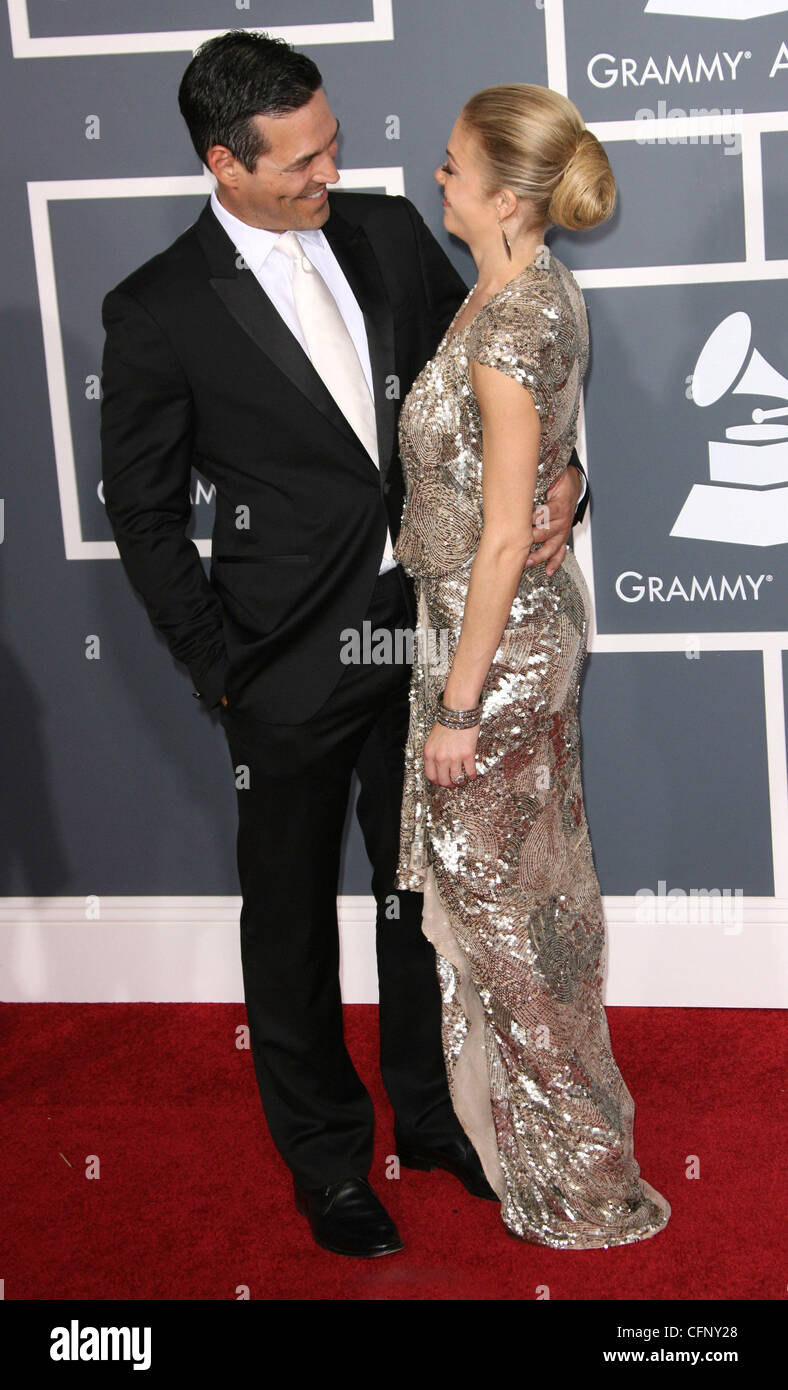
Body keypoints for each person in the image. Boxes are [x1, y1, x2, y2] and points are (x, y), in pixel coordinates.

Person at [99, 33, 588, 1258]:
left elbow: (486, 407)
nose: (335, 165)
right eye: (303, 157)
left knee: (413, 901)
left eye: (332, 139)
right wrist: (222, 664)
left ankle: (425, 1118)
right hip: (287, 666)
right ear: (226, 161)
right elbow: (145, 513)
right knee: (290, 922)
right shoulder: (156, 309)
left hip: (430, 641)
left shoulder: (379, 234)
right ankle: (326, 1160)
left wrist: (566, 482)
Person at [394, 84, 671, 1248]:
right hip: (510, 631)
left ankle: (584, 1182)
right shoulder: (528, 291)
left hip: (490, 652)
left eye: (453, 165)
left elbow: (505, 531)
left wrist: (456, 708)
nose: (438, 176)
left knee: (511, 926)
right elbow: (537, 482)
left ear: (506, 196)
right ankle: (572, 1149)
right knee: (538, 905)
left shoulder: (510, 325)